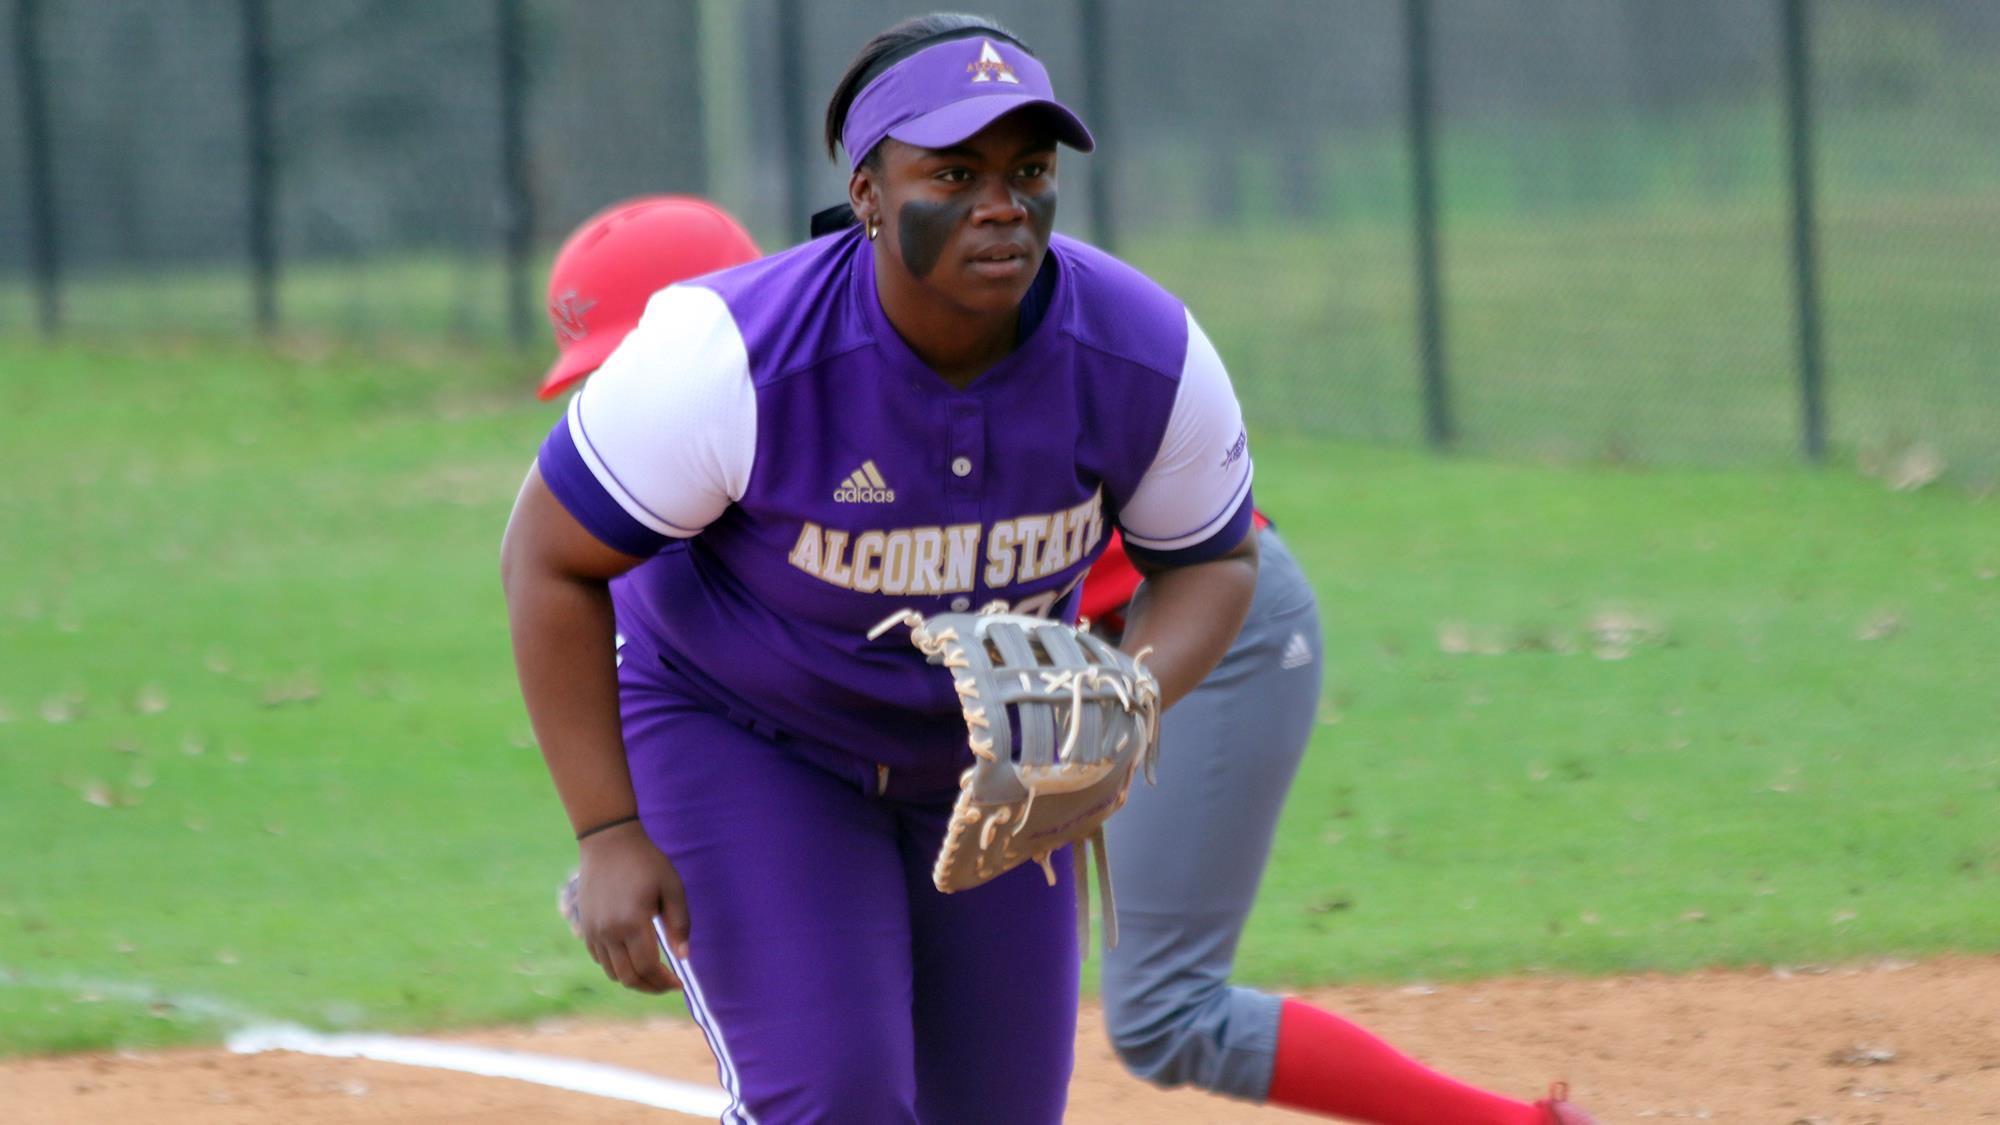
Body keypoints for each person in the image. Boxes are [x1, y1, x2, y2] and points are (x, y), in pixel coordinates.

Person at [500, 14, 1261, 1123]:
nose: (1000, 203)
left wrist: (1122, 693)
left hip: (986, 767)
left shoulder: (1141, 350)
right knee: (837, 1099)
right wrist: (608, 832)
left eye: (1028, 170)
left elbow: (1214, 561)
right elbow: (547, 560)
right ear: (865, 191)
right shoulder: (733, 357)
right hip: (751, 741)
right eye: (952, 172)